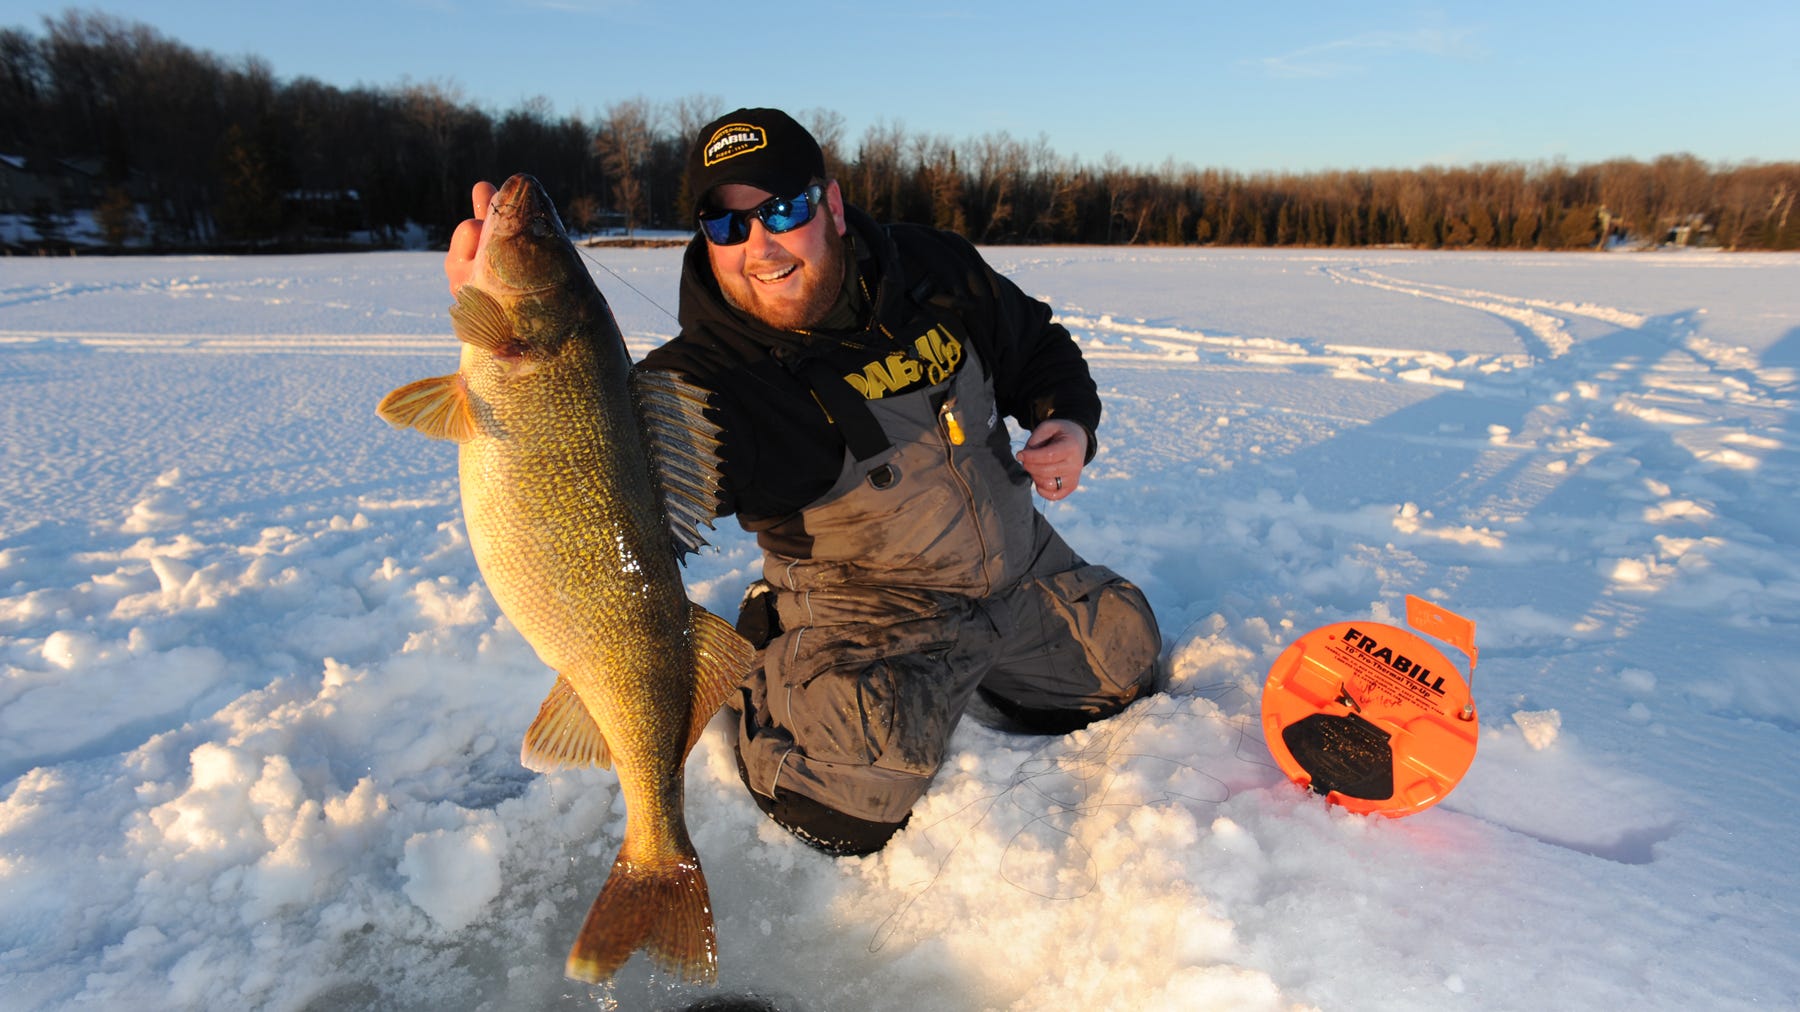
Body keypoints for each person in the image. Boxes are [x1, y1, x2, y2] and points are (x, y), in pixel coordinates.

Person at [444, 108, 1162, 857]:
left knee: (1125, 657)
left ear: (835, 206)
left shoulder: (933, 270)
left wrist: (1068, 421)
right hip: (876, 604)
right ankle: (773, 639)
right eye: (726, 226)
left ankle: (993, 659)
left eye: (784, 210)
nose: (761, 245)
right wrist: (495, 332)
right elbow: (585, 468)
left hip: (1017, 566)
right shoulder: (703, 384)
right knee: (840, 794)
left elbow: (1034, 342)